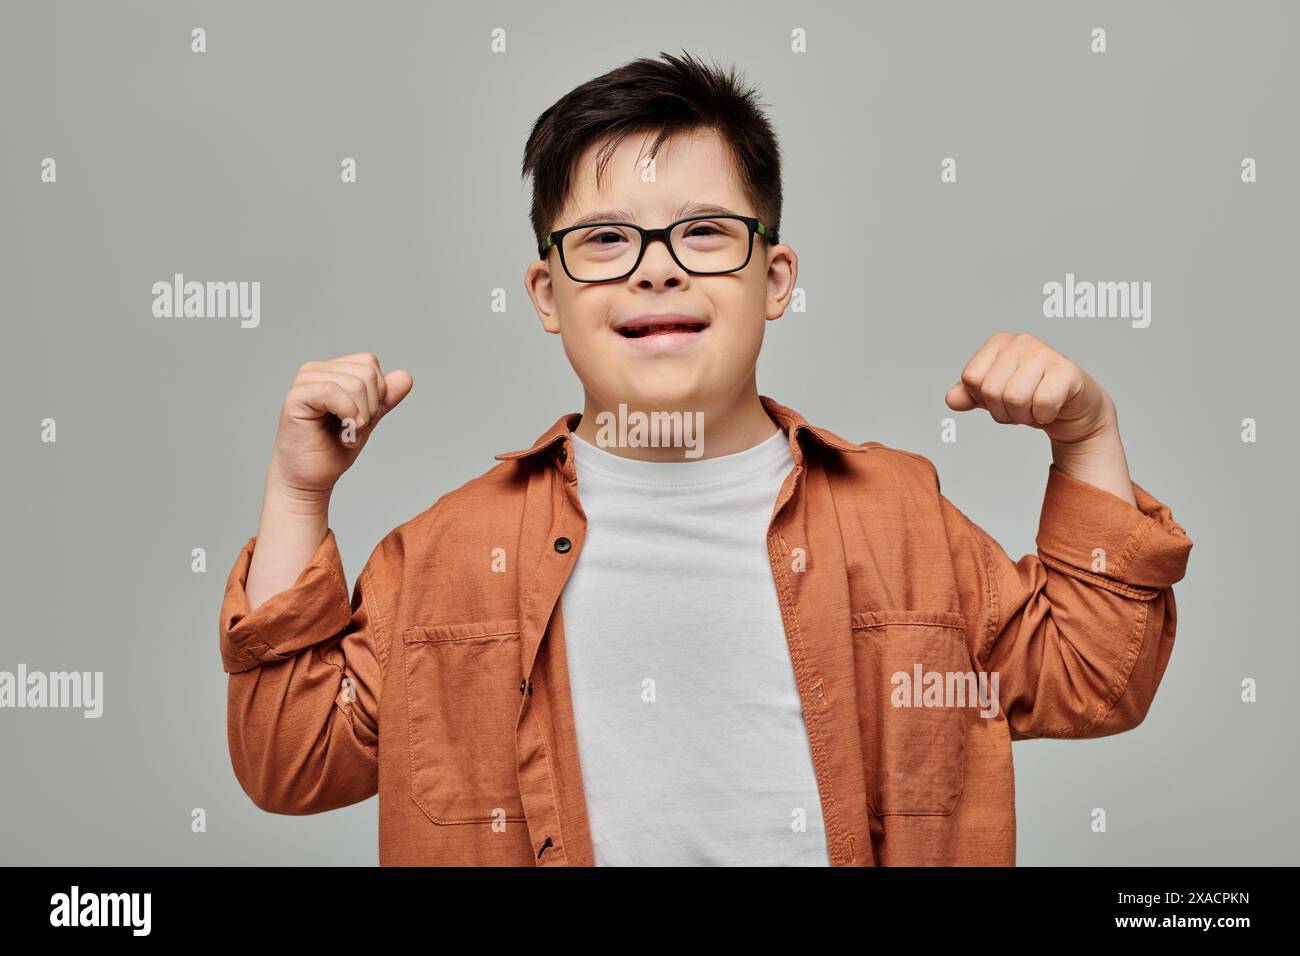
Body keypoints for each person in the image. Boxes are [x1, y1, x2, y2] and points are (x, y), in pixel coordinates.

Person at [218, 51, 1193, 866]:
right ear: (547, 293)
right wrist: (299, 492)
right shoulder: (446, 553)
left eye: (702, 232)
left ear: (773, 278)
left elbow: (1094, 676)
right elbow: (290, 761)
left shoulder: (900, 518)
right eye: (603, 238)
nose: (656, 263)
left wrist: (1086, 434)